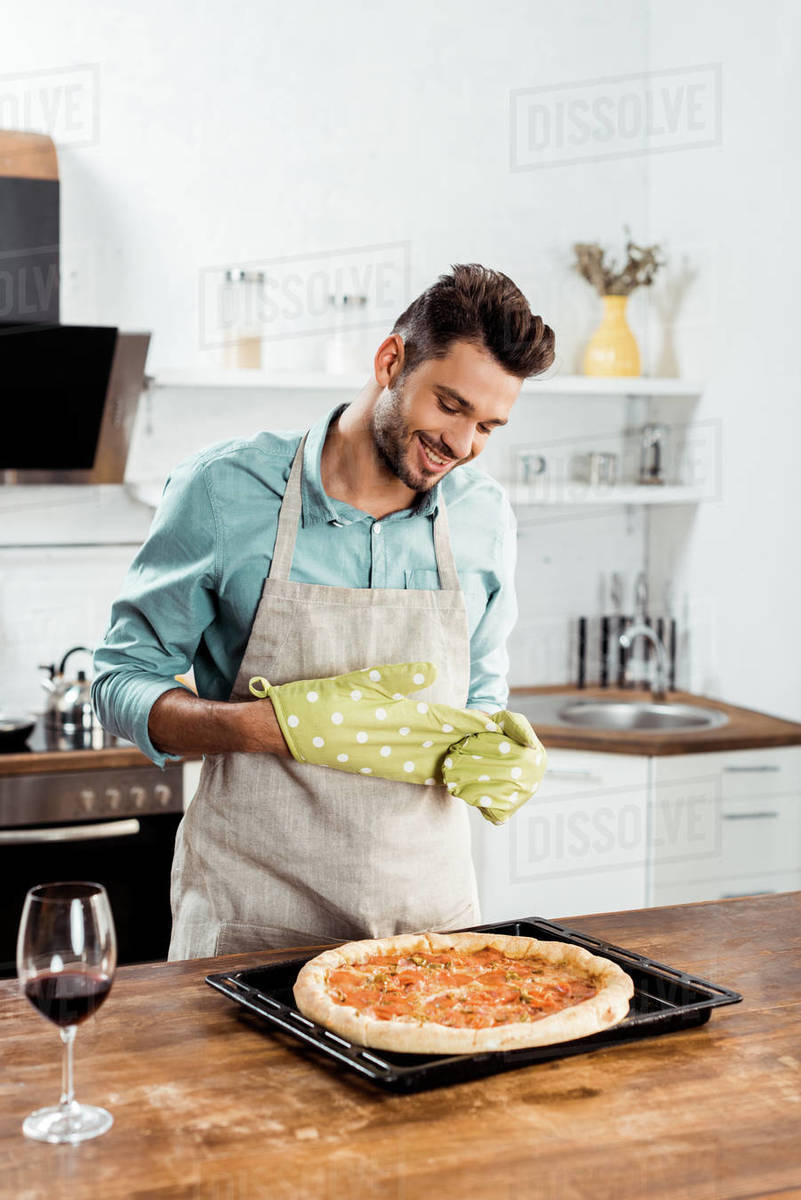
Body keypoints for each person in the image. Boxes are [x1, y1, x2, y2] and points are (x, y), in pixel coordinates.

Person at [92, 263, 555, 959]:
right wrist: (262, 728)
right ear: (390, 360)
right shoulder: (225, 490)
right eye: (450, 407)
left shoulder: (483, 516)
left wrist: (495, 743)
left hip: (427, 924)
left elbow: (480, 683)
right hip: (253, 919)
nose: (461, 446)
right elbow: (118, 682)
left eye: (488, 425)